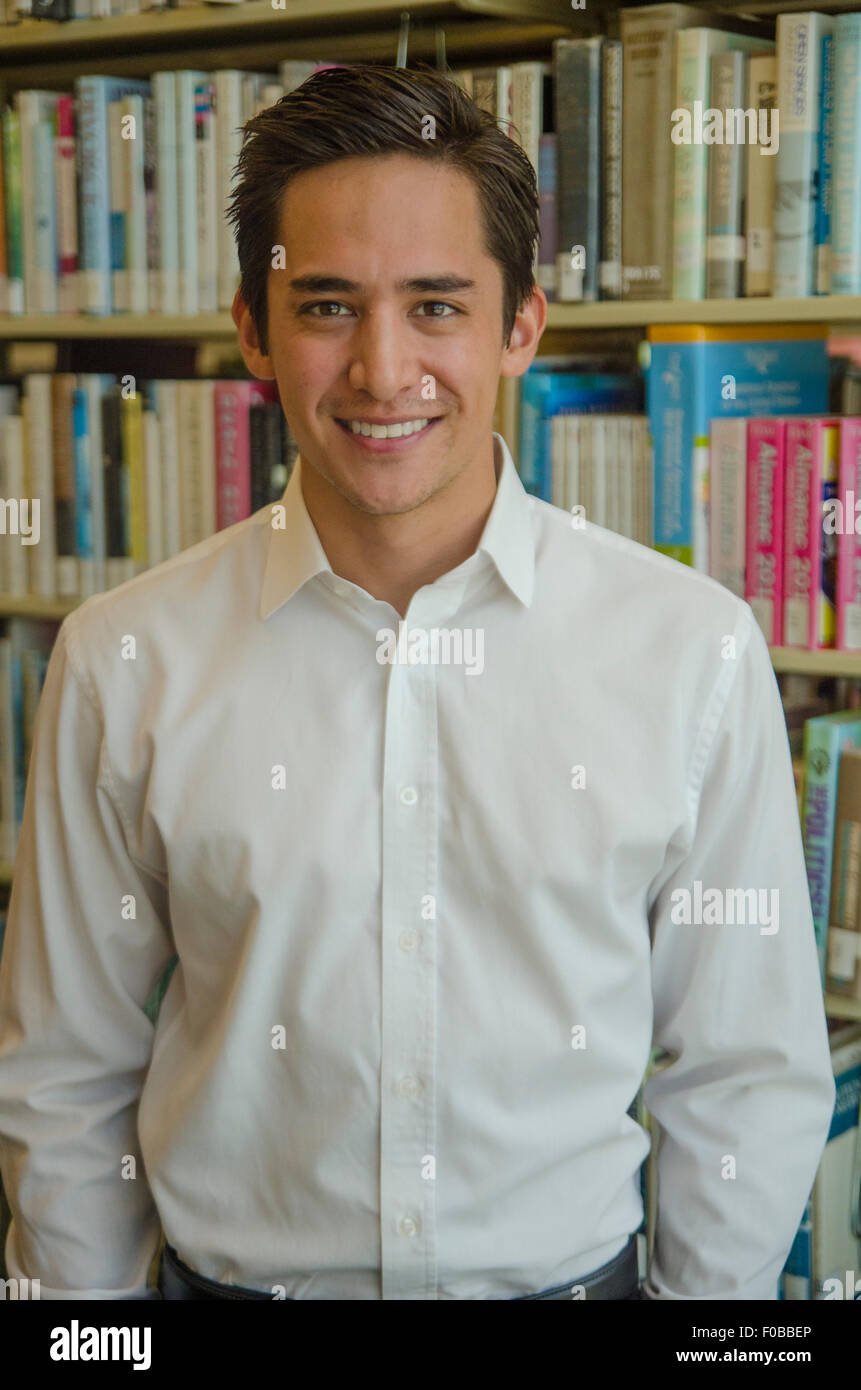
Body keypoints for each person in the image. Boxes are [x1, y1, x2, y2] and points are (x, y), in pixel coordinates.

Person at [0, 65, 835, 1302]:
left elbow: (743, 1071)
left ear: (521, 328)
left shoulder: (692, 652)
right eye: (328, 305)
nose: (384, 371)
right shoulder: (123, 659)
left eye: (437, 305)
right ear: (253, 329)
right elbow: (65, 1077)